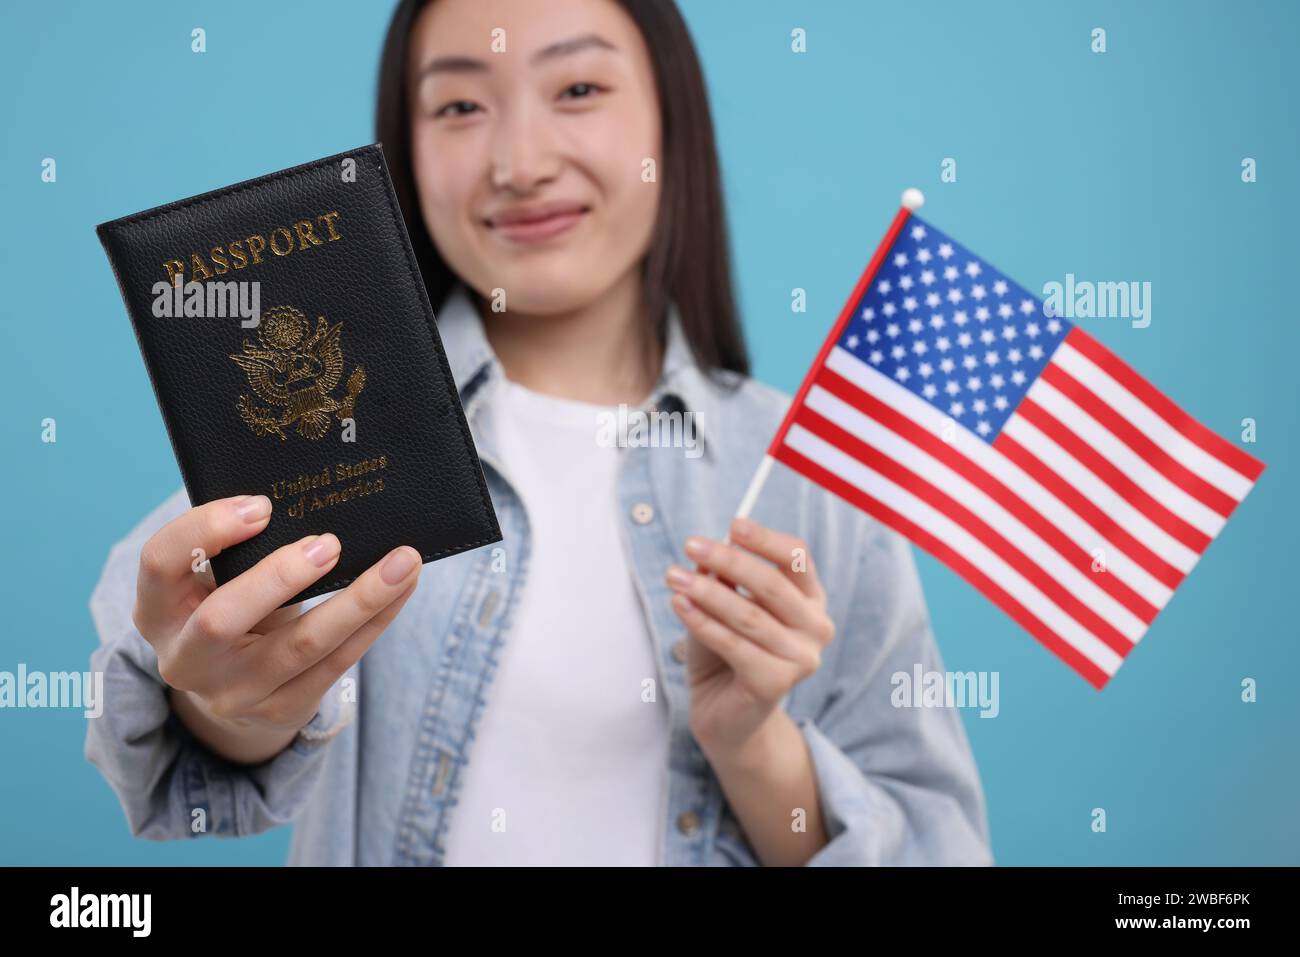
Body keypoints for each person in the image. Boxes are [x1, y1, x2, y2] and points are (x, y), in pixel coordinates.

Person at [85, 0, 992, 866]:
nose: (519, 161)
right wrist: (237, 705)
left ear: (673, 119)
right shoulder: (327, 431)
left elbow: (936, 846)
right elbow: (165, 697)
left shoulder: (804, 470)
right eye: (461, 105)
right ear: (403, 145)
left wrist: (752, 741)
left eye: (579, 90)